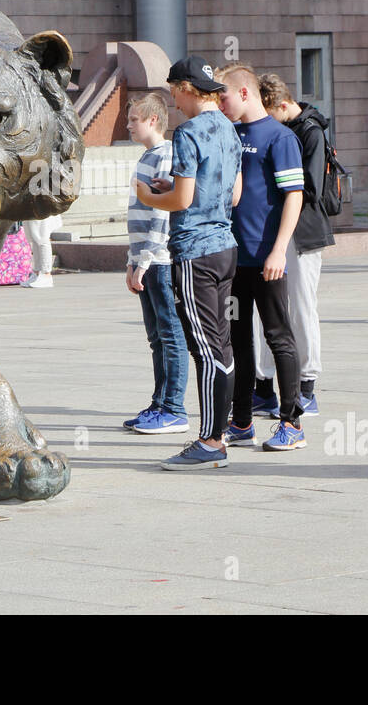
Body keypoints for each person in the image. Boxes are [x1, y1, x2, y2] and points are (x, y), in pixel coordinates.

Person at [132, 56, 242, 471]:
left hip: (194, 250)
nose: (173, 101)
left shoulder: (189, 132)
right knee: (221, 345)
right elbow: (232, 194)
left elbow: (181, 201)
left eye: (174, 91)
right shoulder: (229, 129)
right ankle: (218, 433)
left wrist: (149, 196)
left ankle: (212, 441)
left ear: (187, 89)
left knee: (205, 348)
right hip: (225, 245)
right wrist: (174, 186)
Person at [217, 66, 307, 452]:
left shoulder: (280, 137)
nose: (219, 104)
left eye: (223, 97)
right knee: (236, 338)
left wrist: (278, 249)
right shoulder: (230, 134)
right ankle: (241, 422)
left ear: (243, 92)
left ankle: (292, 422)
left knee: (277, 336)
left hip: (266, 258)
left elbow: (294, 196)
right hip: (234, 259)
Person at [254, 73, 335, 419]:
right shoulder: (282, 130)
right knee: (269, 312)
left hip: (303, 234)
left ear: (283, 105)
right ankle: (264, 387)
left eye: (268, 114)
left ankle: (307, 387)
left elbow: (310, 189)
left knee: (301, 308)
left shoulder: (310, 132)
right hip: (276, 233)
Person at [123, 93, 189, 435]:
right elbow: (139, 218)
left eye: (135, 119)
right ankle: (159, 402)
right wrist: (131, 260)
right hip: (146, 260)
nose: (129, 125)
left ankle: (174, 407)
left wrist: (144, 261)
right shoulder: (148, 157)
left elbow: (161, 216)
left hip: (160, 261)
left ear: (153, 120)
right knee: (156, 337)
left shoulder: (166, 155)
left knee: (170, 334)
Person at [21, 215, 63, 289]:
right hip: (27, 206)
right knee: (32, 239)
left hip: (39, 207)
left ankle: (46, 274)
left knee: (42, 237)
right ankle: (37, 273)